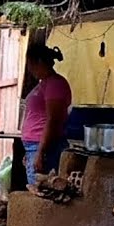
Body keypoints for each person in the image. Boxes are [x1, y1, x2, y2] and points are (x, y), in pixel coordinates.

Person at [20, 43, 71, 185]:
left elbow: (53, 119)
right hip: (35, 145)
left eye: (31, 64)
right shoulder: (45, 83)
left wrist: (40, 152)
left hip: (46, 146)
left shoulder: (55, 84)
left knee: (41, 187)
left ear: (40, 62)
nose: (29, 69)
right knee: (35, 186)